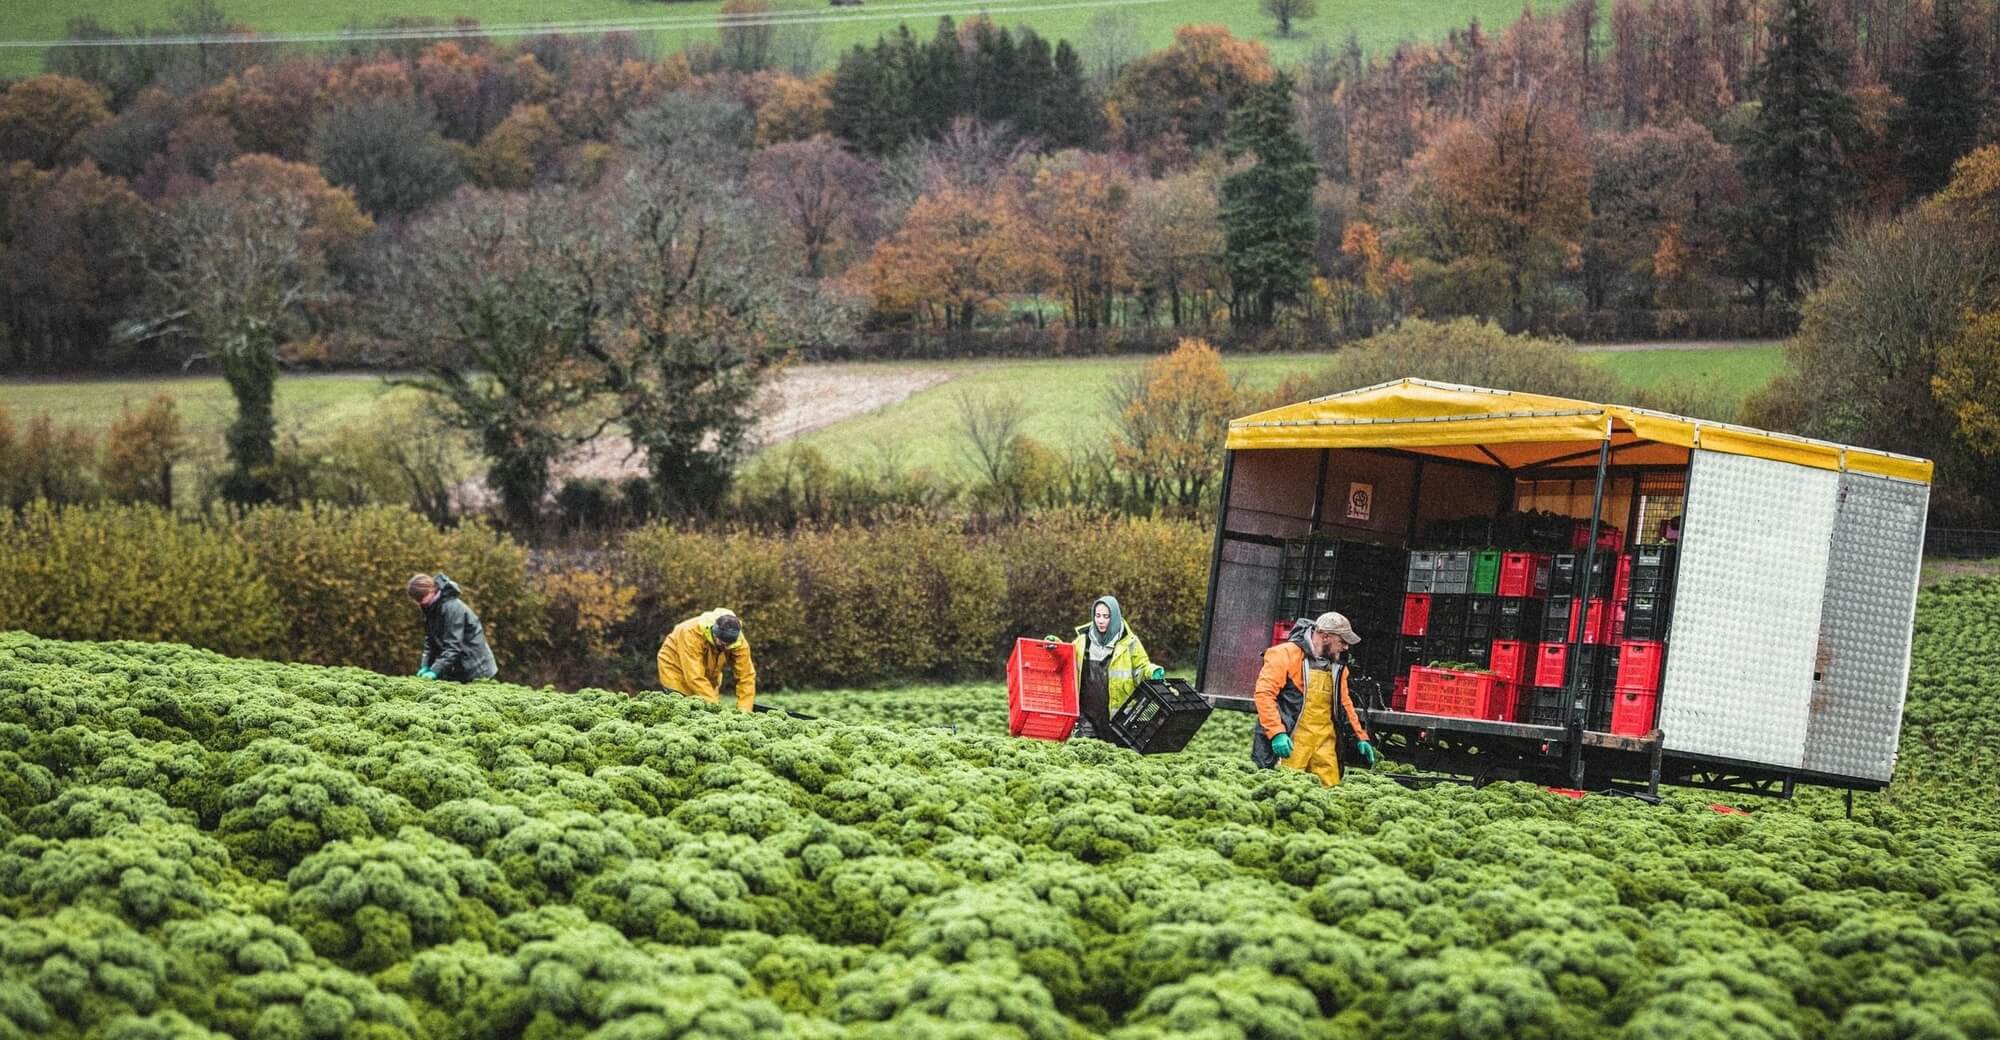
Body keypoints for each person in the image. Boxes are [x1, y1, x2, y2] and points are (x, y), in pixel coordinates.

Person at [1251, 611, 1378, 785]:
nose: (1346, 647)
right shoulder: (1284, 654)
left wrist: (1360, 737)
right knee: (1284, 788)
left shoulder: (1337, 667)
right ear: (1325, 637)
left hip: (1325, 744)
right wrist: (1277, 733)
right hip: (1290, 743)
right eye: (1342, 642)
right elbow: (1264, 695)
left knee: (1329, 791)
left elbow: (1344, 703)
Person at [1071, 595, 1165, 740]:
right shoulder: (1082, 641)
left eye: (1106, 616)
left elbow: (1141, 667)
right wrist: (1054, 646)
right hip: (1087, 717)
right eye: (1097, 615)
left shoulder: (1130, 643)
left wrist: (1151, 671)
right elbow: (1067, 659)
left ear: (1114, 617)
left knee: (1114, 750)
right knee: (1087, 748)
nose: (1101, 621)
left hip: (1118, 718)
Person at [658, 608, 757, 712]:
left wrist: (745, 710)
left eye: (729, 644)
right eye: (722, 643)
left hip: (707, 673)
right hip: (675, 668)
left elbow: (746, 677)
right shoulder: (691, 633)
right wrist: (714, 706)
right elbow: (694, 676)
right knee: (684, 708)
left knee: (709, 705)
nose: (726, 646)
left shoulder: (739, 643)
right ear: (714, 633)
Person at [407, 573, 498, 682]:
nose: (420, 602)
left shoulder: (452, 608)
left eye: (421, 598)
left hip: (475, 669)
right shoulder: (430, 607)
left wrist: (435, 670)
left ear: (431, 591)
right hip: (457, 667)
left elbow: (452, 646)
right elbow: (430, 640)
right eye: (417, 600)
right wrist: (425, 665)